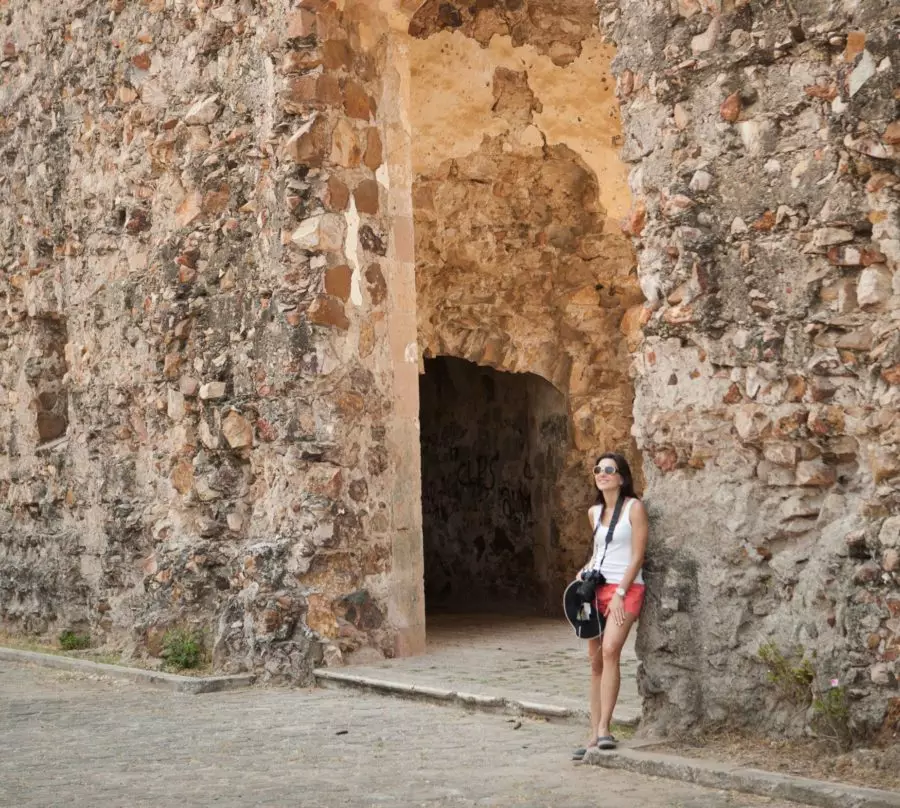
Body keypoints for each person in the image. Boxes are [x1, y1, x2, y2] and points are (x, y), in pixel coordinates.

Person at [573, 452, 647, 757]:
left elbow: (637, 556)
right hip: (596, 590)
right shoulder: (594, 512)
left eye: (609, 469)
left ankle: (605, 727)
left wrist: (620, 593)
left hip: (626, 590)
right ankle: (593, 734)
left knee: (610, 650)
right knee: (595, 663)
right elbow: (598, 553)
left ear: (621, 477)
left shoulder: (634, 508)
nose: (602, 474)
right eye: (598, 470)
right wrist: (581, 573)